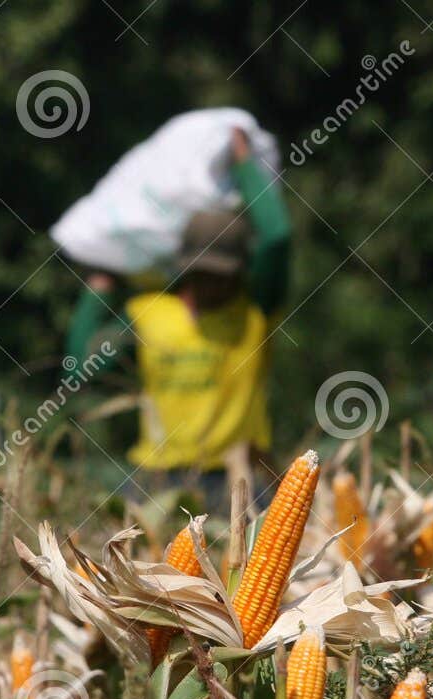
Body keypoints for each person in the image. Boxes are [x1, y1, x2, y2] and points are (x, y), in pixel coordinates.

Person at [63, 127, 291, 509]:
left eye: (223, 276)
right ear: (185, 268)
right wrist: (97, 293)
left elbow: (277, 238)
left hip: (235, 478)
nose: (213, 285)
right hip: (155, 479)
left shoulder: (254, 312)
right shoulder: (149, 312)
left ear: (240, 273)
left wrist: (244, 166)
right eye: (204, 274)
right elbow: (79, 370)